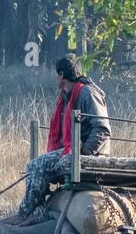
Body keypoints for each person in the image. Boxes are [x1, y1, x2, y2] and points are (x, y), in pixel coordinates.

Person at [13, 54, 112, 223]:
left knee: (37, 164)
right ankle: (37, 214)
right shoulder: (66, 96)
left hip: (88, 155)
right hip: (71, 151)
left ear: (62, 75)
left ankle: (25, 213)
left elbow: (102, 130)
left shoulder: (86, 93)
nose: (56, 78)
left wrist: (83, 153)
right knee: (36, 165)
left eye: (57, 75)